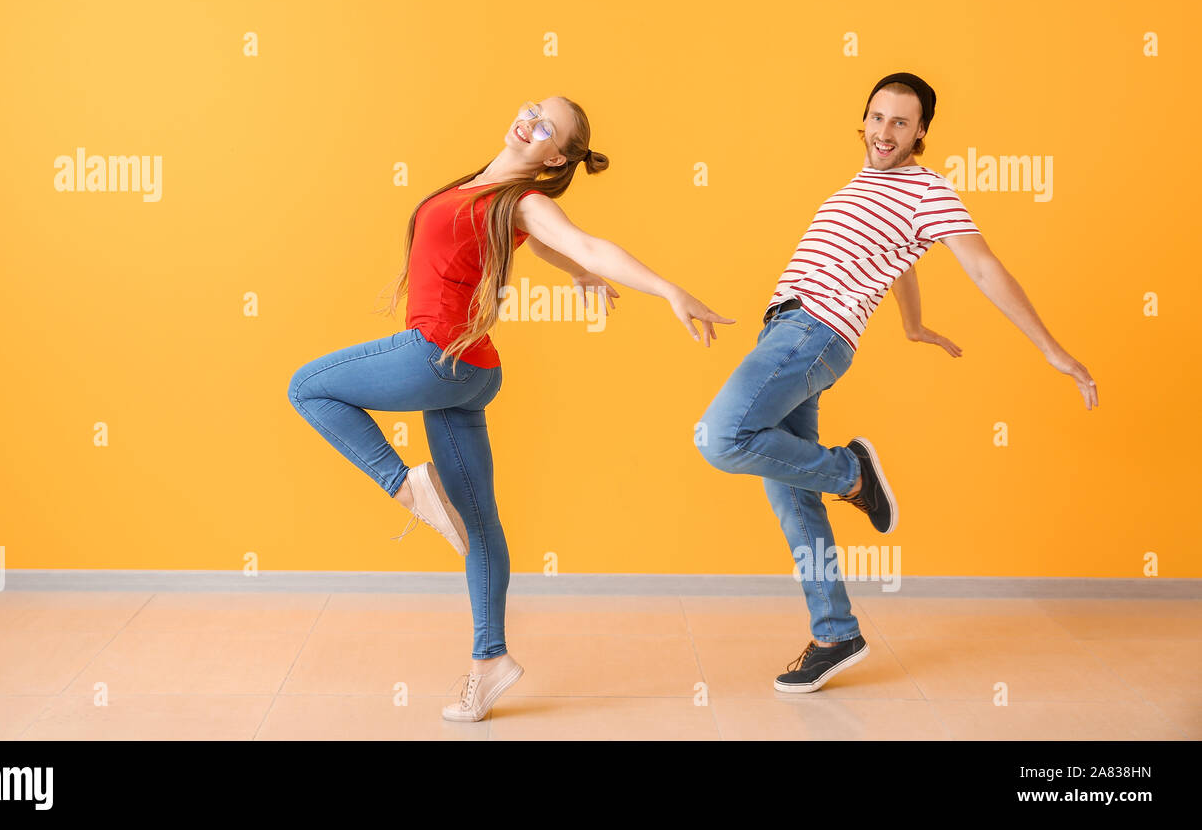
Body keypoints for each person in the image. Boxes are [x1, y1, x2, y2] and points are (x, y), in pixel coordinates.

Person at [288, 96, 734, 721]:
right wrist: (574, 272)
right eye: (532, 107)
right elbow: (548, 244)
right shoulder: (491, 194)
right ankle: (490, 661)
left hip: (436, 355)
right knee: (479, 525)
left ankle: (410, 490)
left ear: (554, 155)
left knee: (308, 386)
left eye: (546, 125)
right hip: (470, 373)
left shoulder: (527, 199)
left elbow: (587, 242)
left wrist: (666, 290)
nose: (530, 119)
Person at [695, 72, 1099, 693]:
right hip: (786, 332)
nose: (885, 132)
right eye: (877, 117)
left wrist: (1050, 348)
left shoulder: (927, 189)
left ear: (920, 134)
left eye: (901, 123)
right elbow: (903, 260)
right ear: (864, 120)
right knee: (788, 491)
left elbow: (983, 266)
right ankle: (836, 632)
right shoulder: (867, 187)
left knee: (720, 437)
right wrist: (913, 325)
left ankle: (852, 472)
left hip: (813, 332)